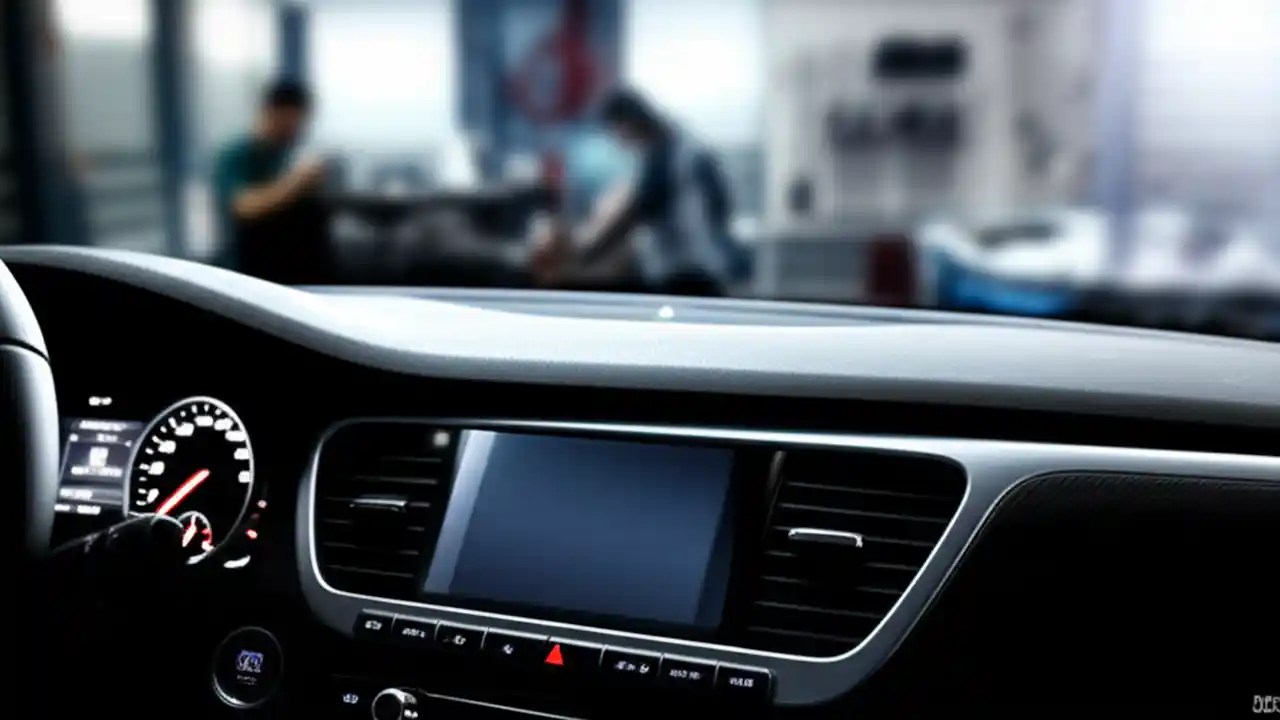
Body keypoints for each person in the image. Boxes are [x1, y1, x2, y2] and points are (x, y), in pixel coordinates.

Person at [532, 88, 751, 296]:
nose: (620, 141)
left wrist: (582, 253)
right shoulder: (679, 148)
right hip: (699, 266)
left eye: (616, 131)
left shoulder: (670, 156)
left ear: (628, 122)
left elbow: (631, 214)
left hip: (693, 270)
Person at [213, 79, 329, 283]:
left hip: (283, 272)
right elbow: (245, 207)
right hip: (244, 275)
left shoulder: (283, 154)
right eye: (294, 120)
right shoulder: (236, 153)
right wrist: (297, 181)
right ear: (273, 113)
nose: (298, 129)